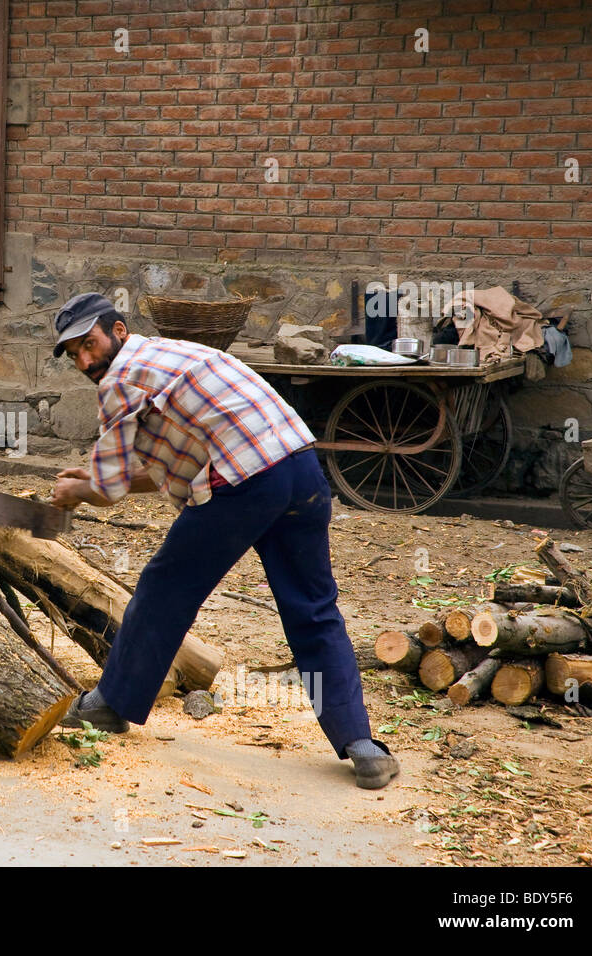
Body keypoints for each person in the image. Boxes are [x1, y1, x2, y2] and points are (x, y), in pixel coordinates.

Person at [47, 292, 399, 789]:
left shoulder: (121, 379)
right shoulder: (179, 353)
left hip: (248, 481)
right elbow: (172, 464)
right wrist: (98, 480)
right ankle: (363, 747)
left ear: (119, 331)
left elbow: (107, 489)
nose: (85, 360)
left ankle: (112, 704)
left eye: (90, 344)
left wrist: (76, 492)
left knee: (164, 589)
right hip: (300, 469)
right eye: (74, 353)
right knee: (313, 608)